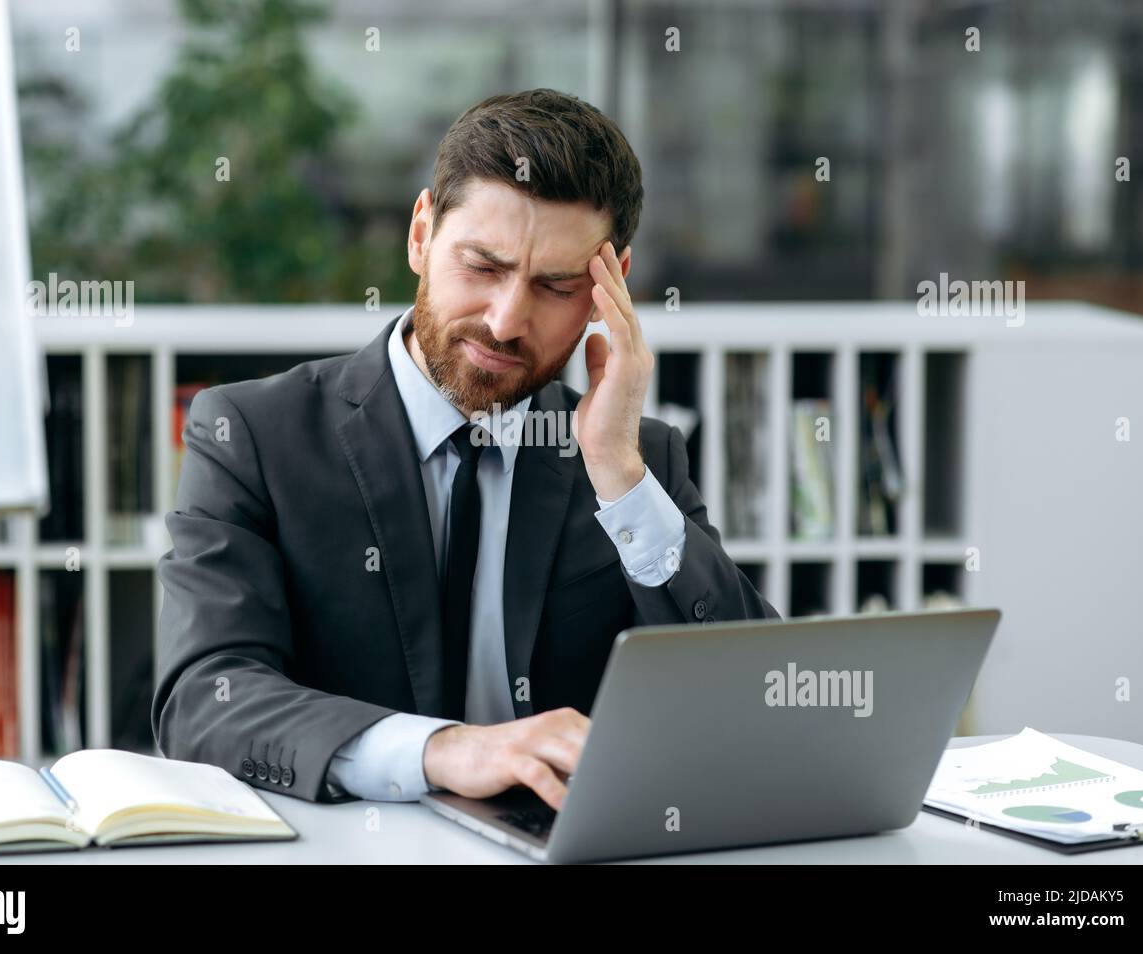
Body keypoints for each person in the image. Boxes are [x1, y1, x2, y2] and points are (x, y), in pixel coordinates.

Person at [153, 88, 777, 811]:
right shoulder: (252, 436)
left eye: (555, 286)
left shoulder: (638, 459)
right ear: (421, 234)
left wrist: (622, 481)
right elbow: (202, 698)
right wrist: (445, 749)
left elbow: (754, 700)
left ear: (611, 288)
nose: (507, 321)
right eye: (482, 266)